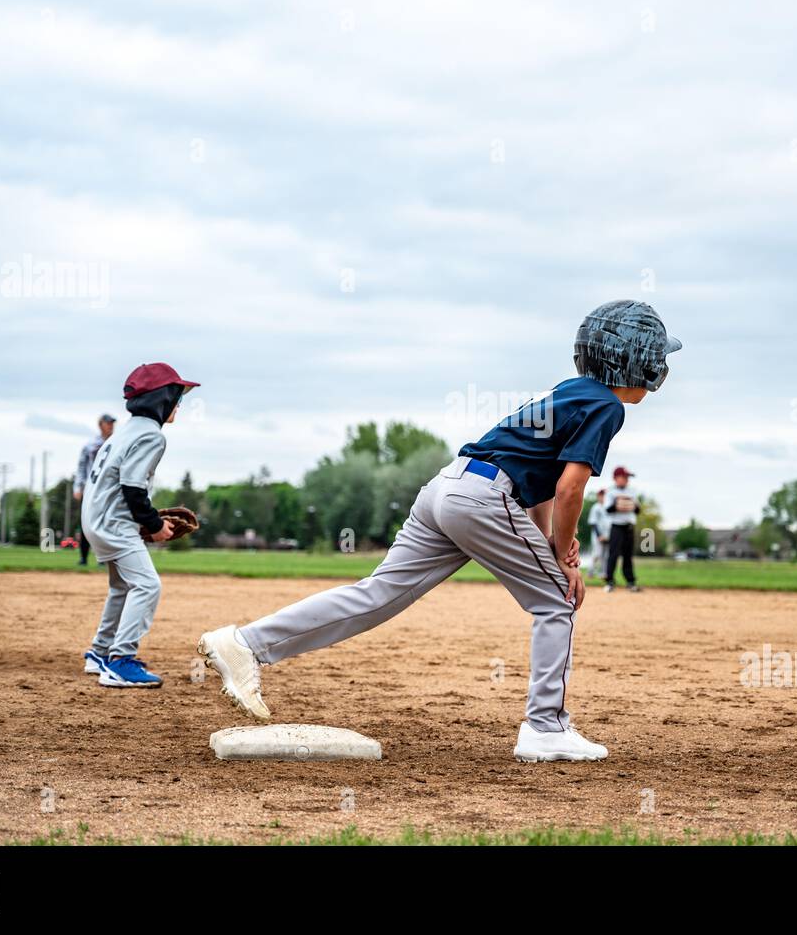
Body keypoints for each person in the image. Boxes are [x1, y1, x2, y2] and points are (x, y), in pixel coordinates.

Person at [198, 300, 681, 761]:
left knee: (378, 594)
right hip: (482, 499)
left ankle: (244, 644)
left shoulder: (568, 391)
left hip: (448, 486)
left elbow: (542, 490)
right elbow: (571, 487)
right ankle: (545, 729)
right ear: (635, 360)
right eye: (656, 355)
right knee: (557, 600)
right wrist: (559, 558)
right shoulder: (607, 405)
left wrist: (554, 549)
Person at [81, 363, 200, 687]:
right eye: (176, 396)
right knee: (148, 585)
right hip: (114, 523)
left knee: (122, 587)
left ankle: (100, 653)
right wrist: (153, 523)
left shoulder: (125, 432)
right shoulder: (151, 435)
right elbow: (132, 487)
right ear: (161, 399)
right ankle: (121, 660)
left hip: (96, 520)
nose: (178, 404)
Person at [72, 413, 116, 566]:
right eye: (108, 423)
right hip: (91, 488)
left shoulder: (117, 442)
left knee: (106, 524)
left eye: (112, 423)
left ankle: (103, 558)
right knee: (87, 523)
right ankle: (83, 557)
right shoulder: (90, 445)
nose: (111, 425)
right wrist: (78, 487)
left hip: (110, 489)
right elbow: (81, 467)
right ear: (100, 425)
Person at [603, 466, 640, 593]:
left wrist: (632, 505)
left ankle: (631, 582)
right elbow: (607, 509)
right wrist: (617, 504)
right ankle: (609, 581)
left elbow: (638, 510)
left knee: (628, 556)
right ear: (615, 478)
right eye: (624, 477)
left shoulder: (632, 491)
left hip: (629, 526)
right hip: (616, 526)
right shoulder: (611, 491)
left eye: (627, 477)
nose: (626, 479)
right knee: (613, 554)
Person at [586, 488, 611, 579]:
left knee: (606, 556)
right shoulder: (596, 507)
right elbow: (593, 522)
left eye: (604, 495)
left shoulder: (608, 507)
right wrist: (599, 535)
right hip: (598, 536)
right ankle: (590, 572)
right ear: (598, 496)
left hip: (608, 535)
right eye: (601, 495)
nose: (603, 497)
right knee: (597, 554)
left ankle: (603, 574)